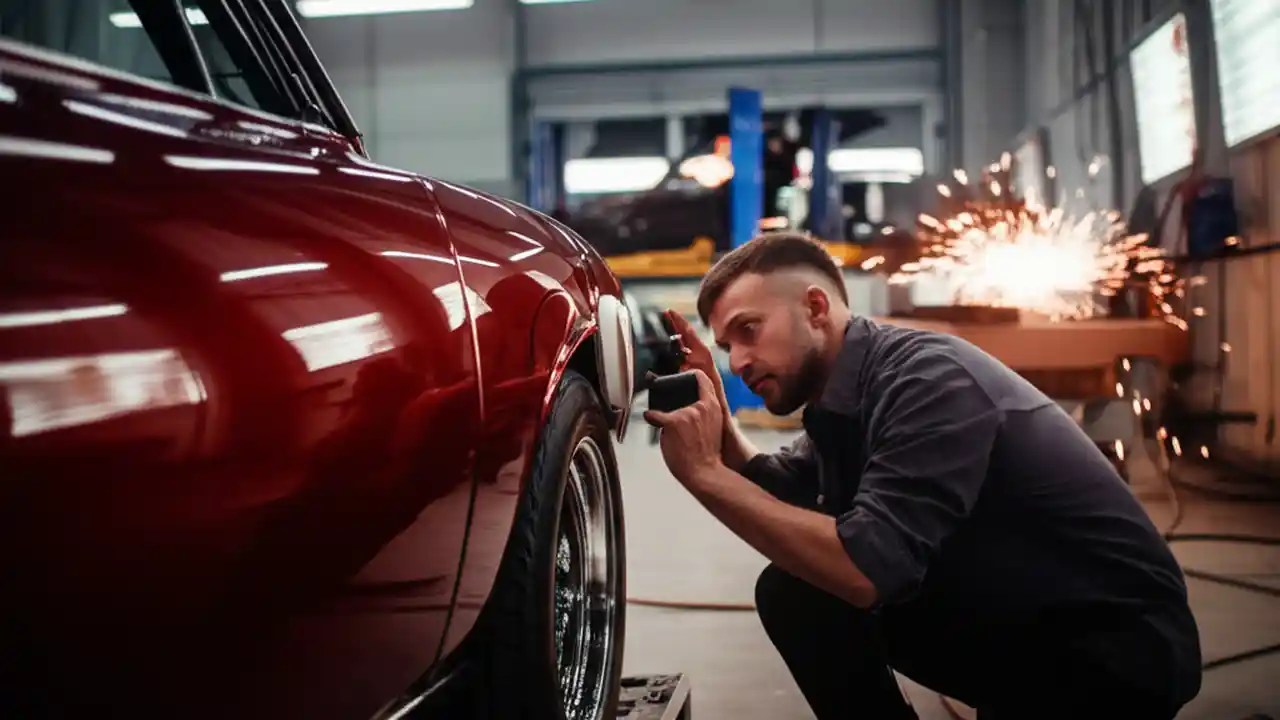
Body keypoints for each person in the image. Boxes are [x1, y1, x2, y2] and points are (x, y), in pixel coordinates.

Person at [643, 232, 1202, 719]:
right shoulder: (849, 389)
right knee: (797, 593)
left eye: (749, 330)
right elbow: (789, 485)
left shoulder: (927, 380)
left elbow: (865, 568)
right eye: (727, 347)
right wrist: (722, 437)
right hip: (1024, 620)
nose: (738, 361)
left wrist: (706, 476)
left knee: (826, 580)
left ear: (815, 307)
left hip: (1110, 651)